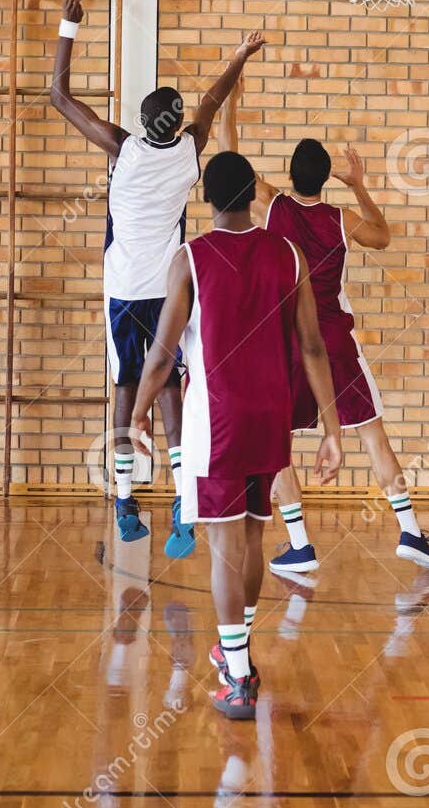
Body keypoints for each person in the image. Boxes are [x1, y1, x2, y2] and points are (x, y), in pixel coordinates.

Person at [130, 151, 344, 719]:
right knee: (250, 538)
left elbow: (161, 353)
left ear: (207, 199)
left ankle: (239, 678)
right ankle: (236, 653)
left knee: (225, 546)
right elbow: (314, 346)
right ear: (253, 195)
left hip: (217, 422)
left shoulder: (191, 259)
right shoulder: (289, 253)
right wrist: (332, 427)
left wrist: (136, 416)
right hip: (271, 417)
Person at [51, 0, 263, 557]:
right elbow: (213, 101)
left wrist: (68, 28)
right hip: (171, 287)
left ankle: (124, 500)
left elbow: (59, 96)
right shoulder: (191, 151)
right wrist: (240, 54)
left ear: (142, 123)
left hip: (122, 287)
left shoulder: (121, 148)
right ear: (176, 126)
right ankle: (181, 501)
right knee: (169, 384)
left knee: (125, 386)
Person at [219, 82, 429, 573]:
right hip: (334, 343)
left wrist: (234, 90)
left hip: (283, 344)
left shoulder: (273, 206)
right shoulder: (341, 218)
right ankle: (408, 530)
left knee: (276, 445)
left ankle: (299, 543)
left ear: (291, 177)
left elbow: (229, 153)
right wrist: (358, 184)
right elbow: (382, 235)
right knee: (372, 436)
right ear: (324, 179)